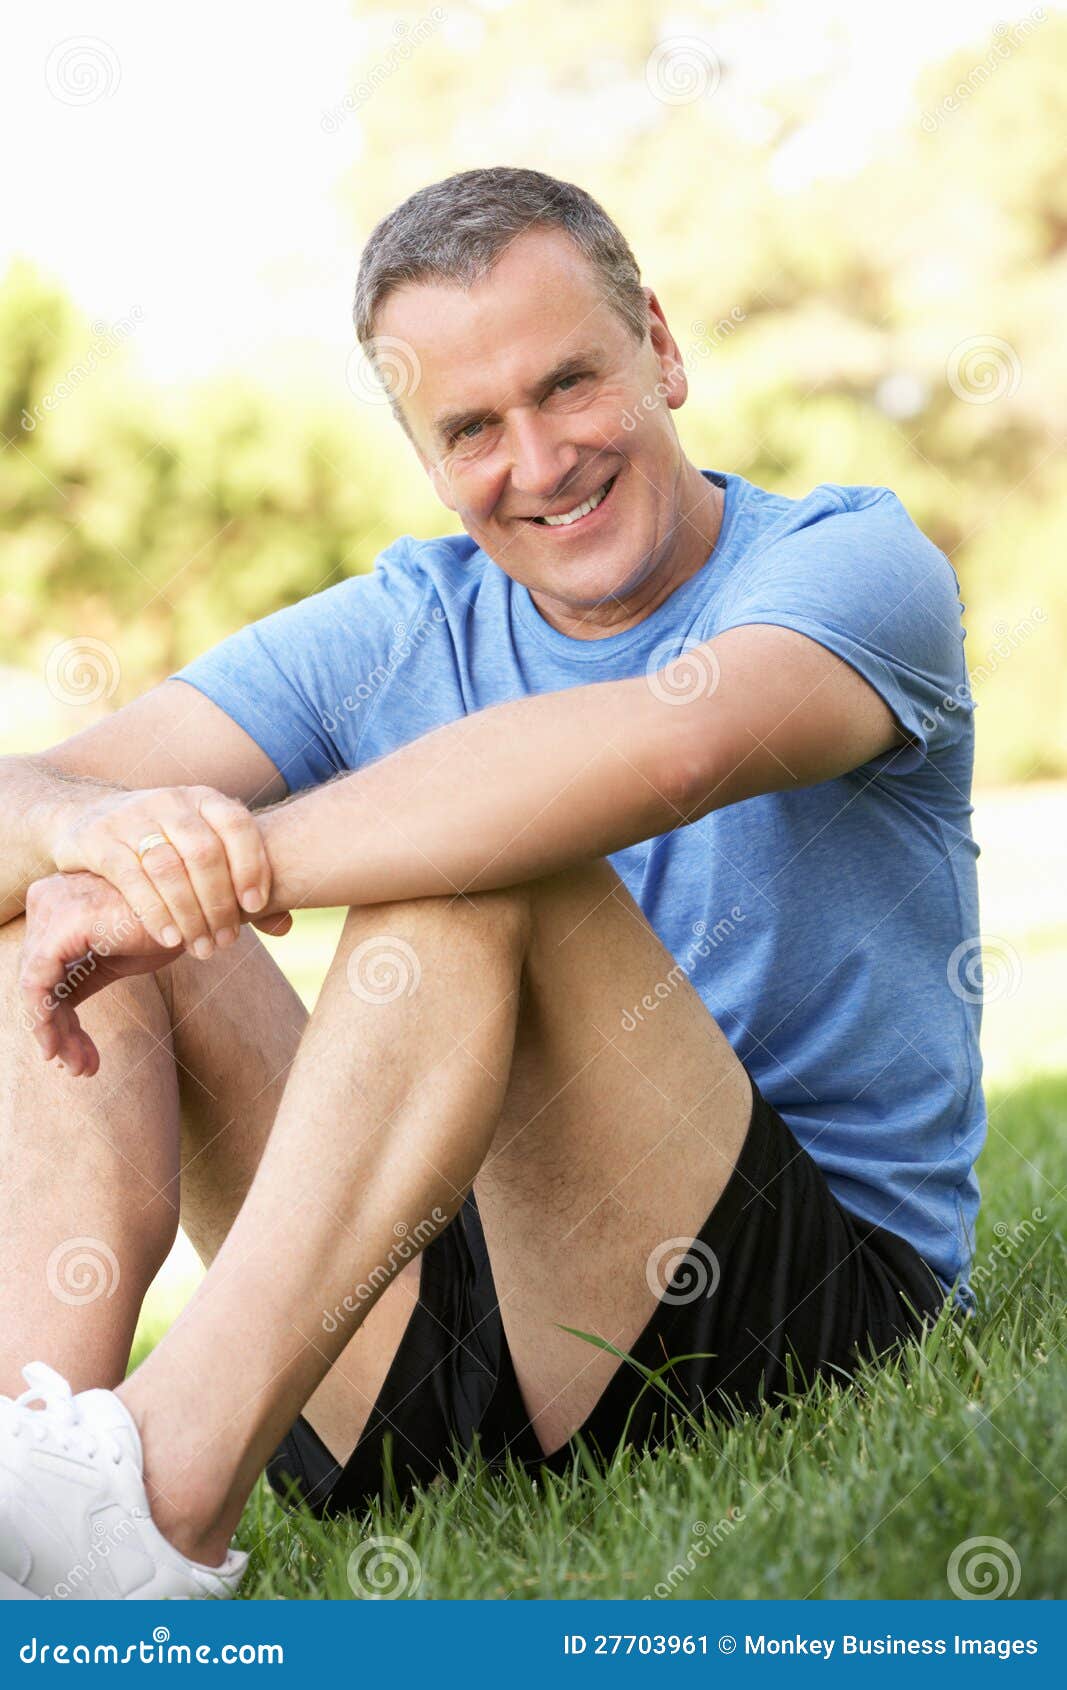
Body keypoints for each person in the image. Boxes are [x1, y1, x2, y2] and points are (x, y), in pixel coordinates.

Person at [0, 167, 983, 1601]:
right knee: (66, 890)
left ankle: (151, 1502)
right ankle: (35, 1460)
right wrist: (105, 846)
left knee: (472, 873)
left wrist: (241, 858)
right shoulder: (401, 620)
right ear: (424, 449)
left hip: (797, 1301)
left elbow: (676, 743)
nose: (537, 460)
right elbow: (27, 794)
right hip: (448, 1309)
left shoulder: (852, 567)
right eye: (472, 427)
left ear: (660, 346)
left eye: (570, 383)